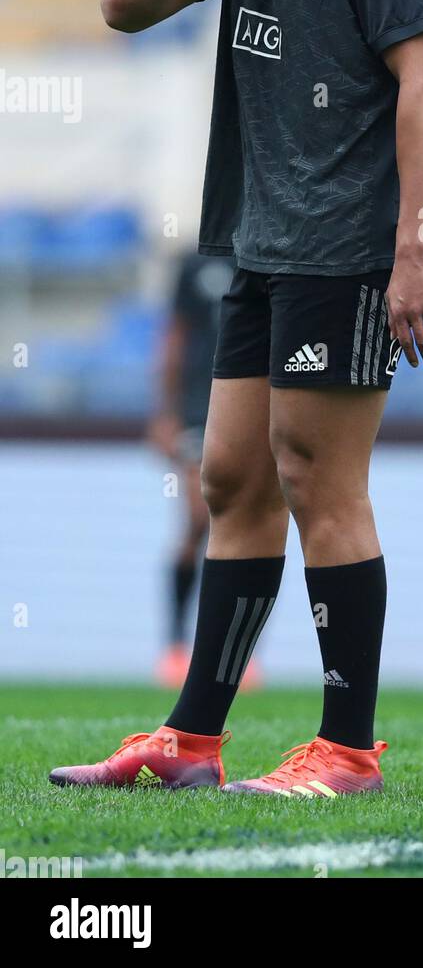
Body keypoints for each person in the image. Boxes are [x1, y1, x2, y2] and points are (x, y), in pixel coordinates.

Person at [50, 0, 423, 796]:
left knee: (321, 480)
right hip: (253, 245)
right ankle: (191, 739)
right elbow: (121, 4)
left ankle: (349, 748)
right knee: (231, 480)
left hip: (345, 249)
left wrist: (415, 249)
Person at [148, 250, 265, 693]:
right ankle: (177, 647)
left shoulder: (270, 250)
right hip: (200, 407)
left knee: (251, 527)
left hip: (256, 402)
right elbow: (174, 338)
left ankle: (236, 655)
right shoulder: (195, 263)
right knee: (201, 521)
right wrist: (165, 414)